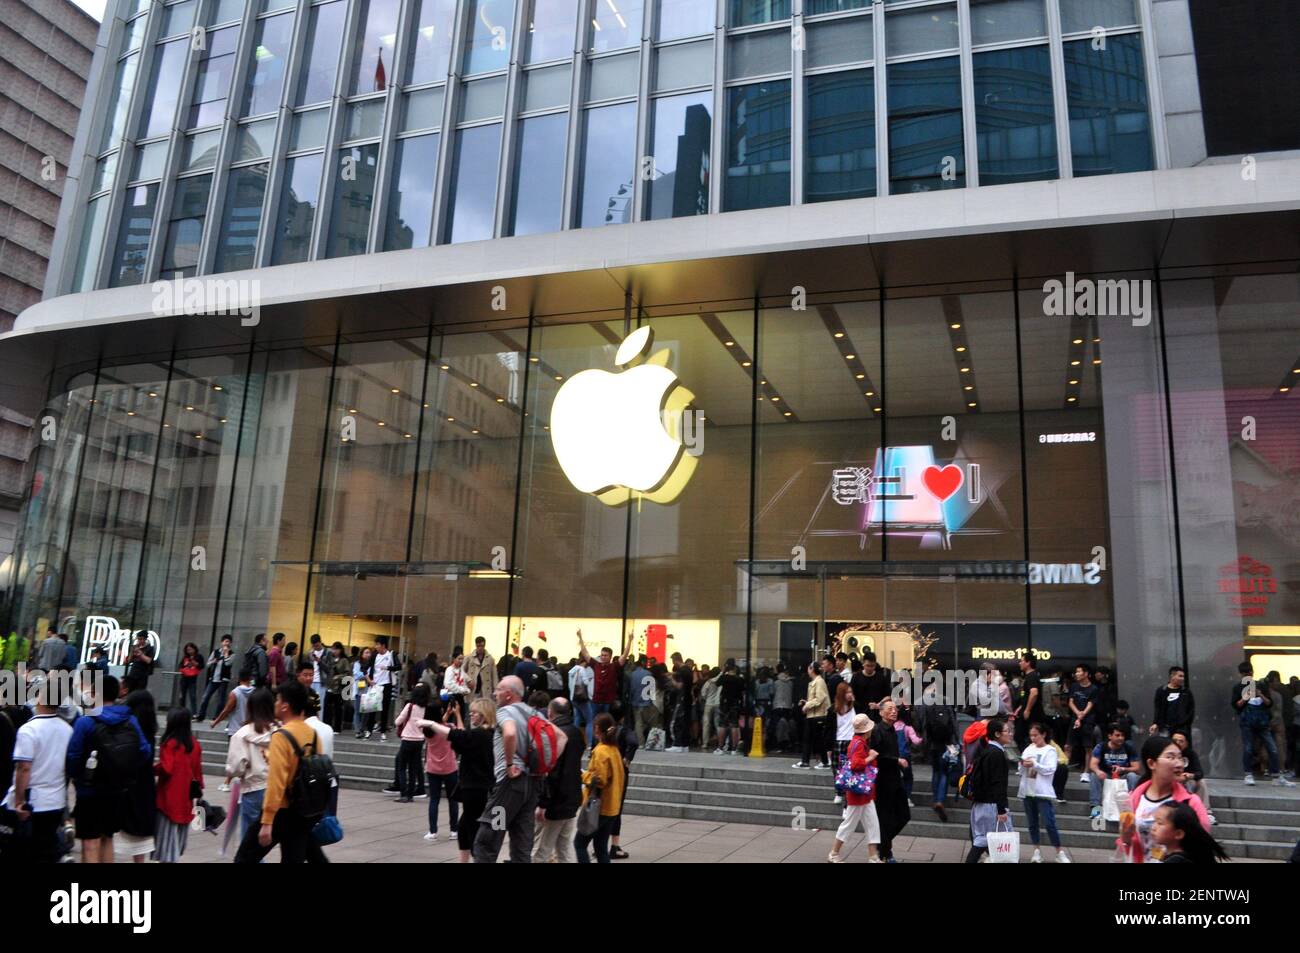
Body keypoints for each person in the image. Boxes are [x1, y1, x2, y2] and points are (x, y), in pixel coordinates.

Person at [472, 675, 566, 863]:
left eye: (498, 689)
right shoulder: (536, 714)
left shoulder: (504, 712)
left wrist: (509, 764)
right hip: (532, 786)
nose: (494, 693)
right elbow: (561, 736)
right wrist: (548, 764)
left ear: (508, 694)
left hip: (509, 788)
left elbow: (510, 732)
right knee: (522, 843)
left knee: (490, 837)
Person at [234, 681, 328, 863]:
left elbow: (276, 782)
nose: (275, 704)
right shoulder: (313, 734)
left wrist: (267, 821)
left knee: (244, 858)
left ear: (285, 706)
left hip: (281, 811)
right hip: (303, 811)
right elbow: (310, 767)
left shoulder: (281, 736)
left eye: (277, 700)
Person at [65, 675, 152, 864]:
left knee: (90, 841)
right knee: (107, 837)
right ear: (117, 693)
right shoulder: (130, 720)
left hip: (89, 790)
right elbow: (145, 751)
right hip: (117, 789)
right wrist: (124, 767)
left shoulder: (86, 721)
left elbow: (73, 755)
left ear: (95, 694)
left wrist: (77, 776)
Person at [0, 675, 72, 864]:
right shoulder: (67, 729)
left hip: (31, 802)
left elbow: (24, 768)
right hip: (55, 801)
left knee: (18, 851)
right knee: (44, 851)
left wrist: (19, 802)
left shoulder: (29, 729)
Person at [1118, 735, 1211, 862]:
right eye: (1171, 757)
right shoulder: (1135, 799)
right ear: (1151, 763)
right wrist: (1126, 838)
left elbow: (1202, 849)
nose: (1179, 764)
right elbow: (1127, 846)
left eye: (1180, 758)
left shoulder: (1191, 803)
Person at [428, 698, 494, 862]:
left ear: (484, 714)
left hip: (477, 788)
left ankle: (477, 857)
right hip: (477, 787)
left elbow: (457, 735)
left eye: (475, 712)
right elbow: (461, 738)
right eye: (470, 711)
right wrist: (455, 714)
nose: (471, 714)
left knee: (472, 826)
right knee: (466, 826)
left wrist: (430, 723)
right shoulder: (484, 734)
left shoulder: (482, 734)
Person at [534, 697, 583, 862]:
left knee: (542, 850)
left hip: (557, 801)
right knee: (564, 847)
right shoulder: (576, 732)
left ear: (550, 712)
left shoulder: (554, 734)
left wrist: (542, 803)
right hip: (572, 797)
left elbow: (553, 773)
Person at [827, 713, 881, 863]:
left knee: (872, 824)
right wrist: (871, 757)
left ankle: (873, 856)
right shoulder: (858, 744)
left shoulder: (857, 742)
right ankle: (833, 853)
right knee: (849, 825)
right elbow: (856, 764)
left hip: (863, 793)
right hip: (858, 794)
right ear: (867, 730)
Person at [574, 712, 626, 863]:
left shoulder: (601, 750)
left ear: (597, 729)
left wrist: (583, 776)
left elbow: (600, 779)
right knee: (601, 848)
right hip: (612, 806)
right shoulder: (614, 749)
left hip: (600, 807)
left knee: (579, 844)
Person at [1232, 661, 1294, 786]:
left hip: (1262, 722)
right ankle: (1248, 774)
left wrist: (1260, 694)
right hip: (1247, 722)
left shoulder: (1261, 685)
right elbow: (1236, 705)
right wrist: (1246, 697)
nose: (1248, 676)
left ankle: (1277, 775)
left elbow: (1269, 703)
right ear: (1241, 675)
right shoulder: (1238, 688)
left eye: (1249, 673)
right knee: (1248, 748)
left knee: (1273, 748)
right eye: (1245, 674)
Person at [225, 687, 276, 839]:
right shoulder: (279, 731)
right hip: (276, 789)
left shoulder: (242, 734)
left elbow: (235, 767)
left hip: (253, 787)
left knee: (250, 840)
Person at [117, 674, 158, 862]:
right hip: (146, 783)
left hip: (129, 782)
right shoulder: (151, 730)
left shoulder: (129, 728)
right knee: (140, 830)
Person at [153, 707, 202, 863]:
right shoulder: (194, 744)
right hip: (185, 797)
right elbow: (198, 774)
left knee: (166, 838)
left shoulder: (170, 743)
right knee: (178, 835)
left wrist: (154, 768)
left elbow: (167, 768)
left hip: (168, 796)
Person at [1018, 722, 1071, 863]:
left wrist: (1034, 764)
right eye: (1031, 735)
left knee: (1049, 822)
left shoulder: (1050, 750)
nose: (1033, 738)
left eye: (1035, 735)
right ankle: (1036, 850)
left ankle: (1059, 852)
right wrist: (1022, 764)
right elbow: (1020, 769)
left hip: (1043, 791)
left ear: (1043, 734)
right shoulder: (1028, 749)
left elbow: (1050, 769)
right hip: (1028, 789)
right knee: (1032, 823)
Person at [966, 718, 1012, 864]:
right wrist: (1001, 810)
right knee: (995, 844)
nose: (1010, 734)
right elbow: (997, 784)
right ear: (997, 734)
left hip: (982, 805)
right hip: (991, 806)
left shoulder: (986, 751)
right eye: (1007, 731)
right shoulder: (996, 753)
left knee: (985, 843)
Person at [870, 699, 910, 862]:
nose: (894, 711)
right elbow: (876, 757)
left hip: (895, 779)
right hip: (882, 781)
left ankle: (881, 844)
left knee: (904, 815)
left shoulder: (892, 729)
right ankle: (886, 852)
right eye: (890, 709)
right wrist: (896, 760)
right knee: (885, 818)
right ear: (881, 712)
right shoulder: (877, 730)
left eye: (895, 709)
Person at [415, 700, 459, 841]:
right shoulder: (450, 727)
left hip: (433, 768)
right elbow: (449, 729)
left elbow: (436, 724)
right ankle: (454, 830)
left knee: (434, 800)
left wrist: (445, 713)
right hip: (450, 767)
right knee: (453, 800)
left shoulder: (427, 731)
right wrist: (455, 714)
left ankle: (432, 831)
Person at [1088, 723, 1141, 819]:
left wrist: (1124, 769)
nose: (1121, 738)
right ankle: (1096, 809)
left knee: (1133, 776)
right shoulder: (1101, 747)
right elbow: (1092, 764)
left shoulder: (1129, 747)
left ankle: (1132, 807)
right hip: (1106, 776)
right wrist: (1098, 771)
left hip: (1122, 777)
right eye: (1117, 735)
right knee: (1094, 775)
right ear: (1110, 736)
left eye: (1122, 735)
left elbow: (1137, 768)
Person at [1150, 802, 1229, 863]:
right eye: (1154, 821)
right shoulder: (1187, 855)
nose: (1153, 828)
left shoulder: (1177, 860)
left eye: (1160, 823)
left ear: (1178, 834)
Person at [393, 683, 430, 802]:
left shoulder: (410, 706)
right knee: (414, 768)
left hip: (407, 739)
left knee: (402, 767)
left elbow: (398, 721)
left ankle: (403, 794)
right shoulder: (426, 708)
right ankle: (410, 795)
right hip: (419, 740)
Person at [1170, 728, 1215, 824]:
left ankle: (1206, 812)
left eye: (1181, 741)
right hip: (1172, 783)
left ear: (1186, 743)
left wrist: (1190, 775)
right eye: (1175, 741)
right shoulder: (1167, 754)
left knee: (1201, 782)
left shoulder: (1191, 754)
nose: (1178, 743)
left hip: (1187, 781)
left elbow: (1200, 773)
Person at [924, 699, 959, 821]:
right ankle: (940, 800)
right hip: (946, 744)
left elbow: (925, 727)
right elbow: (954, 725)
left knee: (936, 771)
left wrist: (926, 745)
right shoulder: (948, 706)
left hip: (934, 745)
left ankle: (935, 799)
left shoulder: (929, 707)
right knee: (944, 773)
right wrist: (956, 741)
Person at [1066, 664, 1101, 781]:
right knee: (1068, 745)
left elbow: (1090, 704)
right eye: (1076, 672)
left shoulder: (1094, 689)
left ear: (1086, 674)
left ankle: (1086, 772)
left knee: (1088, 747)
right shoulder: (1074, 686)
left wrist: (1081, 717)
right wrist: (1077, 714)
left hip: (1087, 720)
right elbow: (1070, 702)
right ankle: (1063, 770)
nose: (1076, 674)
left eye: (1079, 672)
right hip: (1075, 718)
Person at [794, 661, 830, 769]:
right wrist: (806, 702)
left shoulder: (819, 682)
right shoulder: (816, 681)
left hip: (817, 715)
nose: (807, 670)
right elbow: (817, 698)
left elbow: (820, 698)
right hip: (814, 715)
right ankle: (823, 762)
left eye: (809, 668)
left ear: (811, 669)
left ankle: (807, 762)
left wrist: (807, 705)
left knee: (810, 739)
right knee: (816, 740)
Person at [1150, 665, 1194, 738]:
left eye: (1183, 676)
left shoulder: (1186, 692)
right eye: (1180, 676)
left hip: (1181, 728)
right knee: (1166, 746)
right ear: (1172, 676)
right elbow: (1158, 708)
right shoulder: (1161, 691)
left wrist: (1185, 724)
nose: (1182, 679)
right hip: (1165, 728)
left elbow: (1191, 710)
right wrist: (1155, 723)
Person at [197, 635, 234, 720]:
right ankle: (201, 715)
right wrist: (214, 661)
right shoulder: (215, 652)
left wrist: (226, 654)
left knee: (221, 699)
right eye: (225, 641)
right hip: (213, 678)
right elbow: (208, 664)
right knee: (206, 696)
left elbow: (228, 663)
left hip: (223, 679)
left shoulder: (232, 654)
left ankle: (217, 717)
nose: (227, 643)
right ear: (222, 642)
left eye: (228, 641)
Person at [1013, 652, 1045, 749]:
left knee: (1023, 737)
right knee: (1022, 737)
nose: (1019, 663)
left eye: (1022, 661)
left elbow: (1034, 693)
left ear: (1028, 663)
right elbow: (1026, 696)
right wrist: (1020, 709)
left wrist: (1027, 710)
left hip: (1033, 714)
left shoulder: (1032, 676)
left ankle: (1029, 759)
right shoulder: (1028, 676)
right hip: (1027, 712)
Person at [715, 660, 746, 755]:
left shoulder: (725, 677)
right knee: (734, 726)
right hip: (736, 703)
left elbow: (716, 683)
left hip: (725, 703)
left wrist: (723, 672)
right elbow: (743, 690)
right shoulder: (740, 679)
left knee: (722, 725)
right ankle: (734, 749)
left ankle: (720, 748)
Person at [831, 682, 856, 786]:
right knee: (837, 769)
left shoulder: (856, 707)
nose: (850, 694)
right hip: (838, 741)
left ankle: (848, 794)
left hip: (852, 741)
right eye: (847, 692)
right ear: (841, 694)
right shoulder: (833, 710)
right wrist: (828, 748)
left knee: (851, 769)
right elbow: (828, 730)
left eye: (851, 692)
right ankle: (839, 792)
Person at [568, 655, 595, 746]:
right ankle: (590, 743)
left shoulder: (572, 670)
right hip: (582, 698)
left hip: (573, 697)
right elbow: (586, 682)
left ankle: (574, 741)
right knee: (589, 720)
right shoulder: (582, 669)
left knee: (577, 718)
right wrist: (589, 679)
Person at [324, 641, 349, 732]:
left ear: (340, 650)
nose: (334, 651)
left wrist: (338, 677)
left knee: (338, 708)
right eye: (333, 649)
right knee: (327, 707)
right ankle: (327, 726)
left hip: (338, 688)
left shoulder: (344, 660)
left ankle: (337, 728)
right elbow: (327, 670)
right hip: (329, 686)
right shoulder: (330, 659)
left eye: (336, 649)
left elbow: (347, 674)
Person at [464, 636, 498, 703]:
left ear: (484, 645)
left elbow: (494, 675)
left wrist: (496, 690)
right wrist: (468, 680)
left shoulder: (490, 659)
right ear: (476, 645)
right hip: (473, 688)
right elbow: (462, 671)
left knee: (484, 709)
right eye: (478, 646)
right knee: (471, 709)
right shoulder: (469, 658)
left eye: (482, 646)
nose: (480, 648)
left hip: (485, 689)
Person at [352, 647, 373, 737]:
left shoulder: (372, 664)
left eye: (369, 653)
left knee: (366, 712)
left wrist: (366, 675)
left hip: (369, 690)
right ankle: (357, 730)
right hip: (359, 689)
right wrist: (366, 675)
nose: (368, 654)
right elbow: (356, 675)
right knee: (357, 711)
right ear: (362, 654)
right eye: (366, 652)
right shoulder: (357, 663)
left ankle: (362, 729)